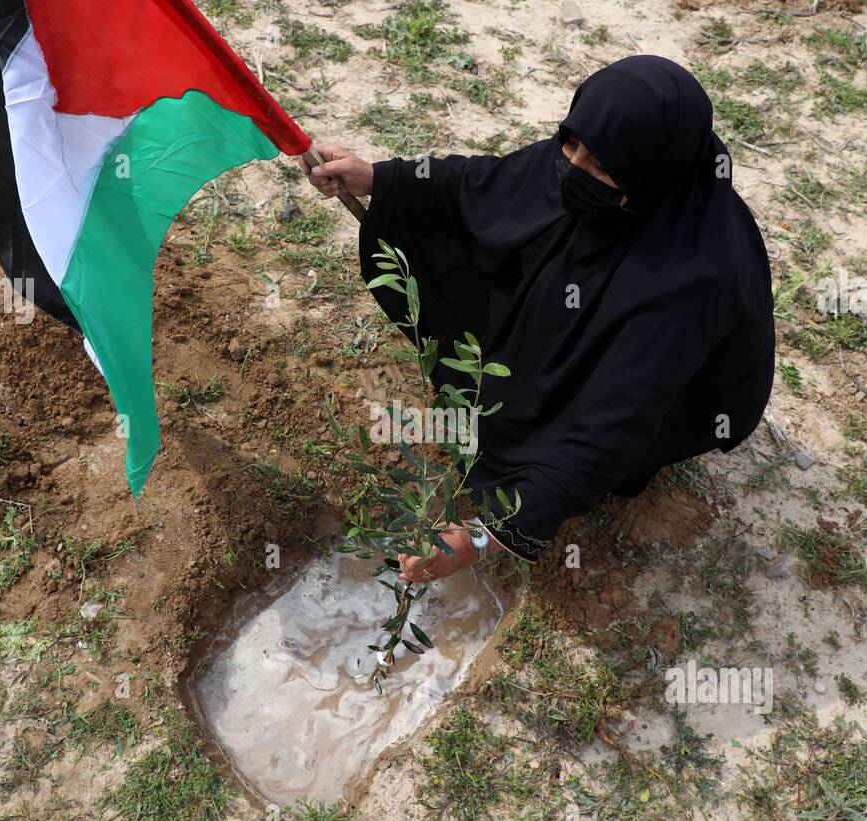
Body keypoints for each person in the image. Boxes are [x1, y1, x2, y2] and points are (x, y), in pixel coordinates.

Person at [302, 55, 774, 583]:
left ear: (654, 169)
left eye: (599, 165)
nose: (573, 167)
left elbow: (615, 425)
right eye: (569, 144)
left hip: (680, 397)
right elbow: (485, 187)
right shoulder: (590, 161)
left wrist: (483, 537)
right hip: (608, 328)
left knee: (590, 445)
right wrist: (378, 179)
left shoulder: (690, 280)